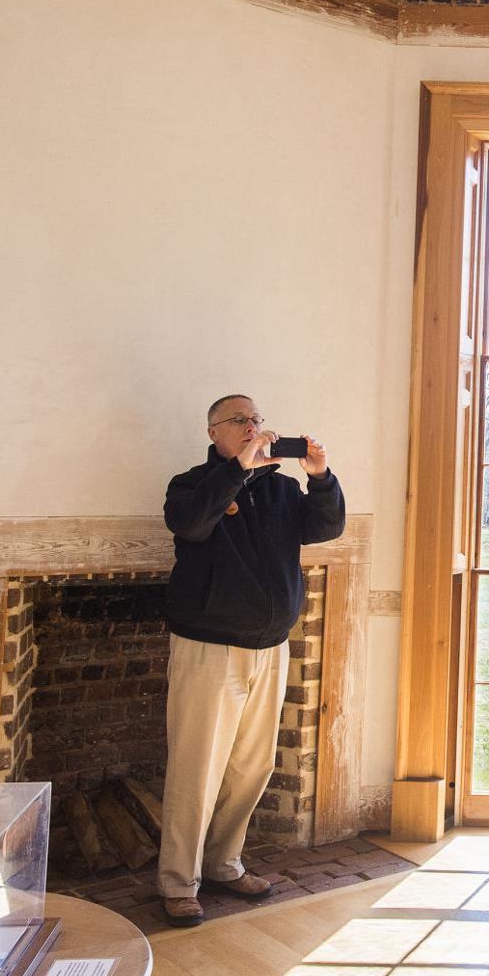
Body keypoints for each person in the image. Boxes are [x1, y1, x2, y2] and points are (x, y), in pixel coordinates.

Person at [156, 393, 345, 927]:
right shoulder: (192, 484)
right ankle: (177, 882)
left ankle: (223, 862)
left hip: (270, 647)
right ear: (214, 431)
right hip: (209, 648)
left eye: (257, 419)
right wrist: (236, 473)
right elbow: (191, 525)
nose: (253, 426)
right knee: (198, 768)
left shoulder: (282, 489)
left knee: (251, 766)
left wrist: (321, 476)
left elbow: (326, 528)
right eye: (240, 420)